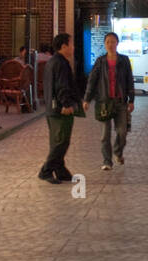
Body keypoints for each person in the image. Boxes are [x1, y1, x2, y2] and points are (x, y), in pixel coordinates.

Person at [84, 31, 135, 171]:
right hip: (104, 102)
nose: (110, 44)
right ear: (104, 44)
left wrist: (131, 99)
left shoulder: (124, 60)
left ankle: (118, 152)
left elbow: (129, 80)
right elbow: (92, 81)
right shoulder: (100, 61)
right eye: (108, 42)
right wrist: (87, 99)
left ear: (117, 43)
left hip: (120, 101)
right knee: (104, 135)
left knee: (122, 132)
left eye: (113, 41)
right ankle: (107, 161)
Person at [38, 33, 81, 184]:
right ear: (64, 46)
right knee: (61, 141)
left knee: (58, 140)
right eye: (71, 44)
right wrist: (66, 104)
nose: (73, 47)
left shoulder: (53, 62)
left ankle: (61, 170)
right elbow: (62, 86)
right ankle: (46, 170)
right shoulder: (61, 63)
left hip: (52, 108)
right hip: (60, 110)